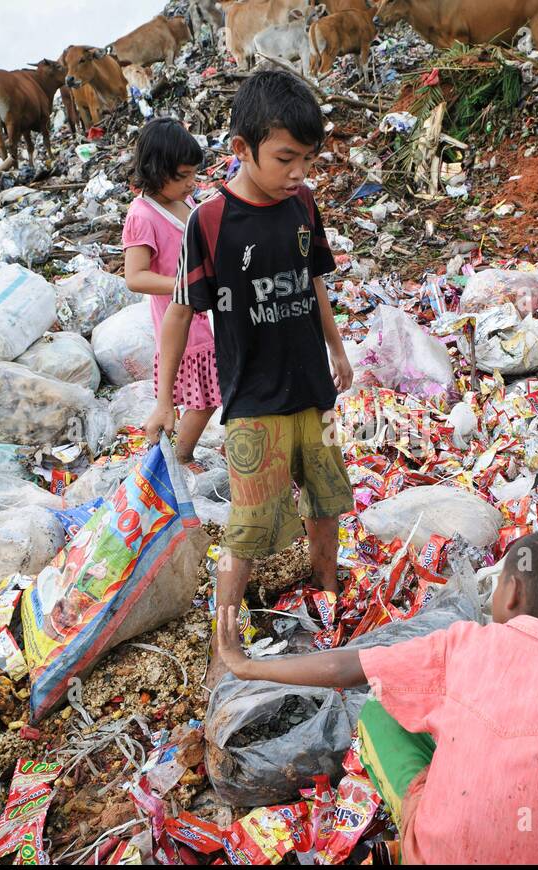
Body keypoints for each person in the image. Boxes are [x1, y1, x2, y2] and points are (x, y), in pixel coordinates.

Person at [215, 529, 538, 865]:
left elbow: (346, 667)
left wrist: (246, 665)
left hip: (435, 853)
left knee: (378, 710)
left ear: (510, 592)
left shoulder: (463, 645)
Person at [153, 70, 354, 627]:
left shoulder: (303, 205)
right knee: (248, 523)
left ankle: (328, 593)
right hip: (252, 401)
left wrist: (337, 350)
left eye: (308, 160)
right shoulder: (210, 221)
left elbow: (314, 282)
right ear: (242, 148)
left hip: (315, 391)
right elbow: (178, 312)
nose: (298, 172)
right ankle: (225, 635)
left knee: (327, 498)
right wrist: (163, 399)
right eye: (286, 157)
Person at [126, 119, 220, 465]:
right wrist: (186, 284)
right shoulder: (142, 214)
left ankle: (172, 449)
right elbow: (135, 277)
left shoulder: (185, 201)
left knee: (204, 393)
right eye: (182, 176)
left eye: (192, 175)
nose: (190, 183)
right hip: (179, 319)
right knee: (206, 398)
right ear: (156, 170)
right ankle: (180, 455)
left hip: (203, 312)